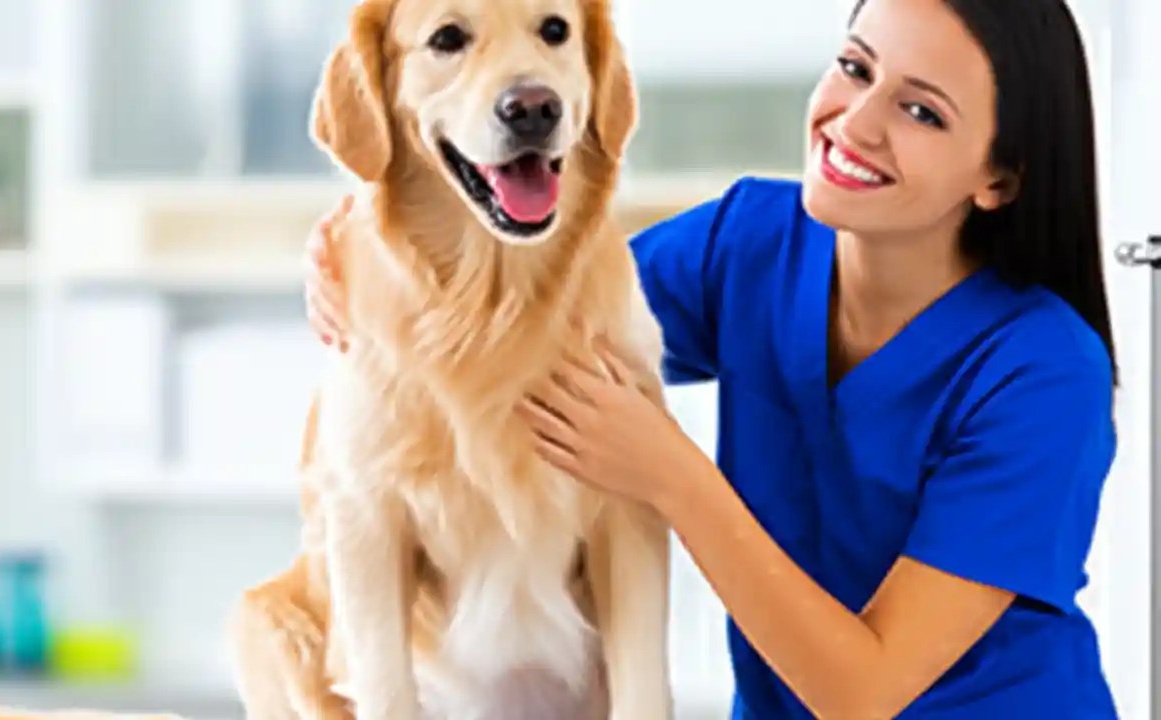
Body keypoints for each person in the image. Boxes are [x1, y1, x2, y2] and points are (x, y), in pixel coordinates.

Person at [302, 0, 1120, 716]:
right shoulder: (749, 243)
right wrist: (360, 255)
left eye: (922, 113)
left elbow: (865, 695)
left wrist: (670, 474)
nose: (856, 123)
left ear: (1000, 179)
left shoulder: (1045, 374)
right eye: (853, 67)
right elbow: (521, 316)